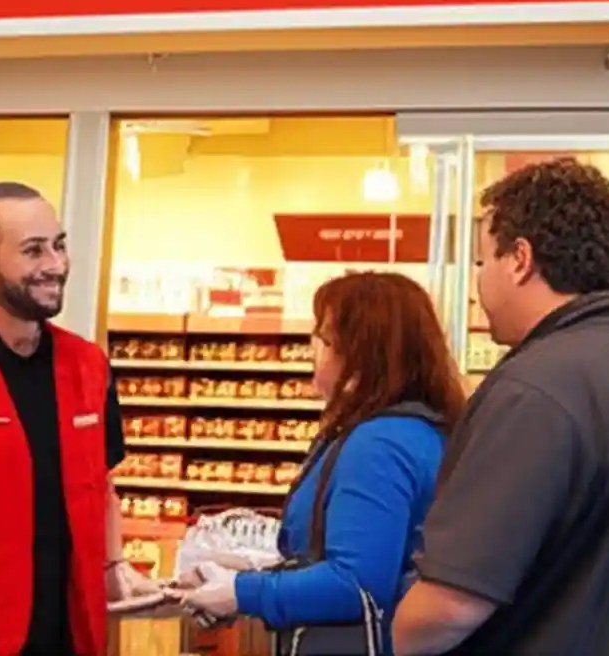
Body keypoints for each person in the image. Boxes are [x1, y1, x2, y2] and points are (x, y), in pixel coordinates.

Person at [0, 182, 156, 656]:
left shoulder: (89, 366)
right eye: (33, 250)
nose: (55, 264)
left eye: (59, 245)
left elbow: (100, 483)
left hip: (72, 639)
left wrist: (114, 567)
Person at [393, 158, 609, 655]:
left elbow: (450, 605)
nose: (478, 283)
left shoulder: (532, 391)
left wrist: (399, 633)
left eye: (481, 262)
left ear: (519, 259)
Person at [174, 273, 465, 654]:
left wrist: (241, 592)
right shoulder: (422, 430)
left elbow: (355, 584)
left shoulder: (379, 445)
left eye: (326, 340)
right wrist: (240, 577)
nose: (314, 350)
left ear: (361, 356)